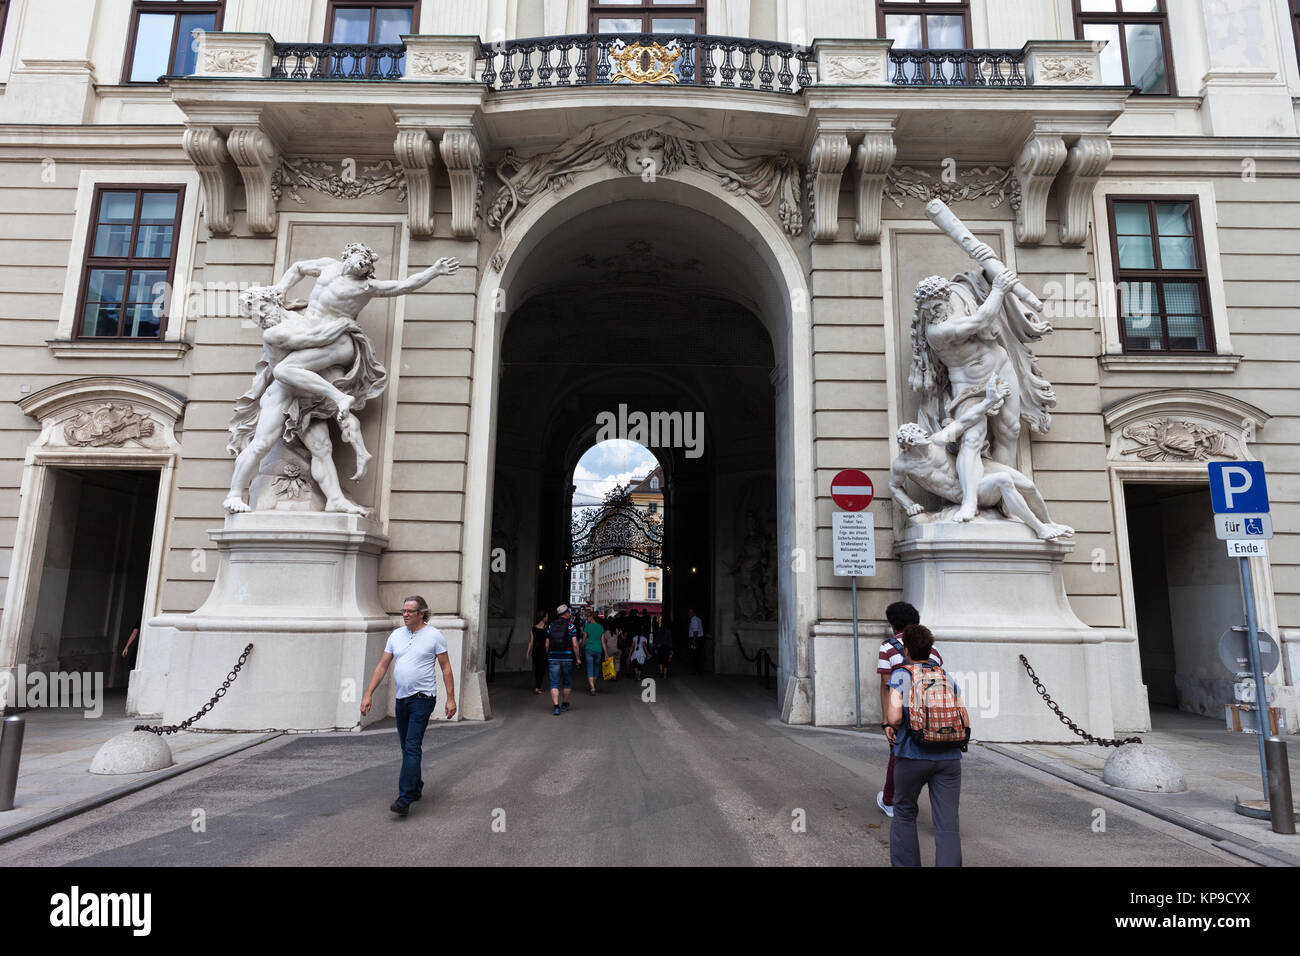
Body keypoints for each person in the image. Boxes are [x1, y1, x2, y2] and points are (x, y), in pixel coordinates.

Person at [360, 595, 457, 817]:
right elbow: (382, 666)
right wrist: (368, 694)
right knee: (407, 747)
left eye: (409, 611)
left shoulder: (434, 636)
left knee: (412, 746)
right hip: (401, 699)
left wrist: (450, 698)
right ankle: (416, 785)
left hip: (423, 699)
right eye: (403, 611)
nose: (404, 614)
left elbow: (446, 668)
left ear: (421, 613)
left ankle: (404, 798)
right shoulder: (396, 635)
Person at [884, 623, 968, 867]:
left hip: (912, 755)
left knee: (904, 812)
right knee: (947, 823)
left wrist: (890, 726)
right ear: (930, 650)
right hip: (950, 756)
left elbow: (895, 718)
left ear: (907, 650)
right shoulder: (945, 675)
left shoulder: (902, 674)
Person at [876, 601, 940, 818]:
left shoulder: (887, 648)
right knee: (928, 754)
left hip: (902, 710)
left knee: (897, 755)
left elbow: (887, 686)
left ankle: (890, 801)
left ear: (894, 626)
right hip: (930, 711)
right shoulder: (934, 649)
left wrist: (887, 721)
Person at [547, 604, 582, 715]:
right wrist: (578, 658)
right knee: (566, 681)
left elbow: (547, 643)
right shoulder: (571, 626)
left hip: (553, 657)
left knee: (554, 683)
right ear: (566, 614)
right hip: (567, 657)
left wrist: (548, 654)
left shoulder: (550, 626)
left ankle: (556, 706)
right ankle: (565, 704)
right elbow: (575, 644)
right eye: (568, 612)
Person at [524, 609, 549, 694]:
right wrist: (547, 652)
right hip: (542, 651)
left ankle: (537, 687)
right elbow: (546, 644)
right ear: (543, 617)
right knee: (542, 670)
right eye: (546, 616)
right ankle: (538, 687)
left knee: (537, 669)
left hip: (535, 650)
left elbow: (531, 641)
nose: (547, 618)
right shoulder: (546, 629)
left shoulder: (533, 628)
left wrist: (527, 652)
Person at [583, 612, 608, 695]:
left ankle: (592, 687)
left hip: (589, 649)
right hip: (598, 650)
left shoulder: (587, 626)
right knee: (596, 667)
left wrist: (580, 647)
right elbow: (603, 642)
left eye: (588, 617)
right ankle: (593, 684)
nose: (587, 618)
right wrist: (606, 653)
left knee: (590, 668)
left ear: (591, 618)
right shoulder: (600, 627)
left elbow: (584, 639)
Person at [687, 608, 704, 673]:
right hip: (698, 639)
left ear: (693, 613)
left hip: (695, 639)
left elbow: (695, 632)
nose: (689, 614)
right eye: (689, 612)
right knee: (697, 655)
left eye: (690, 612)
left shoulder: (694, 620)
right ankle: (698, 670)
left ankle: (695, 670)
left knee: (694, 654)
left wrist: (694, 642)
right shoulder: (698, 619)